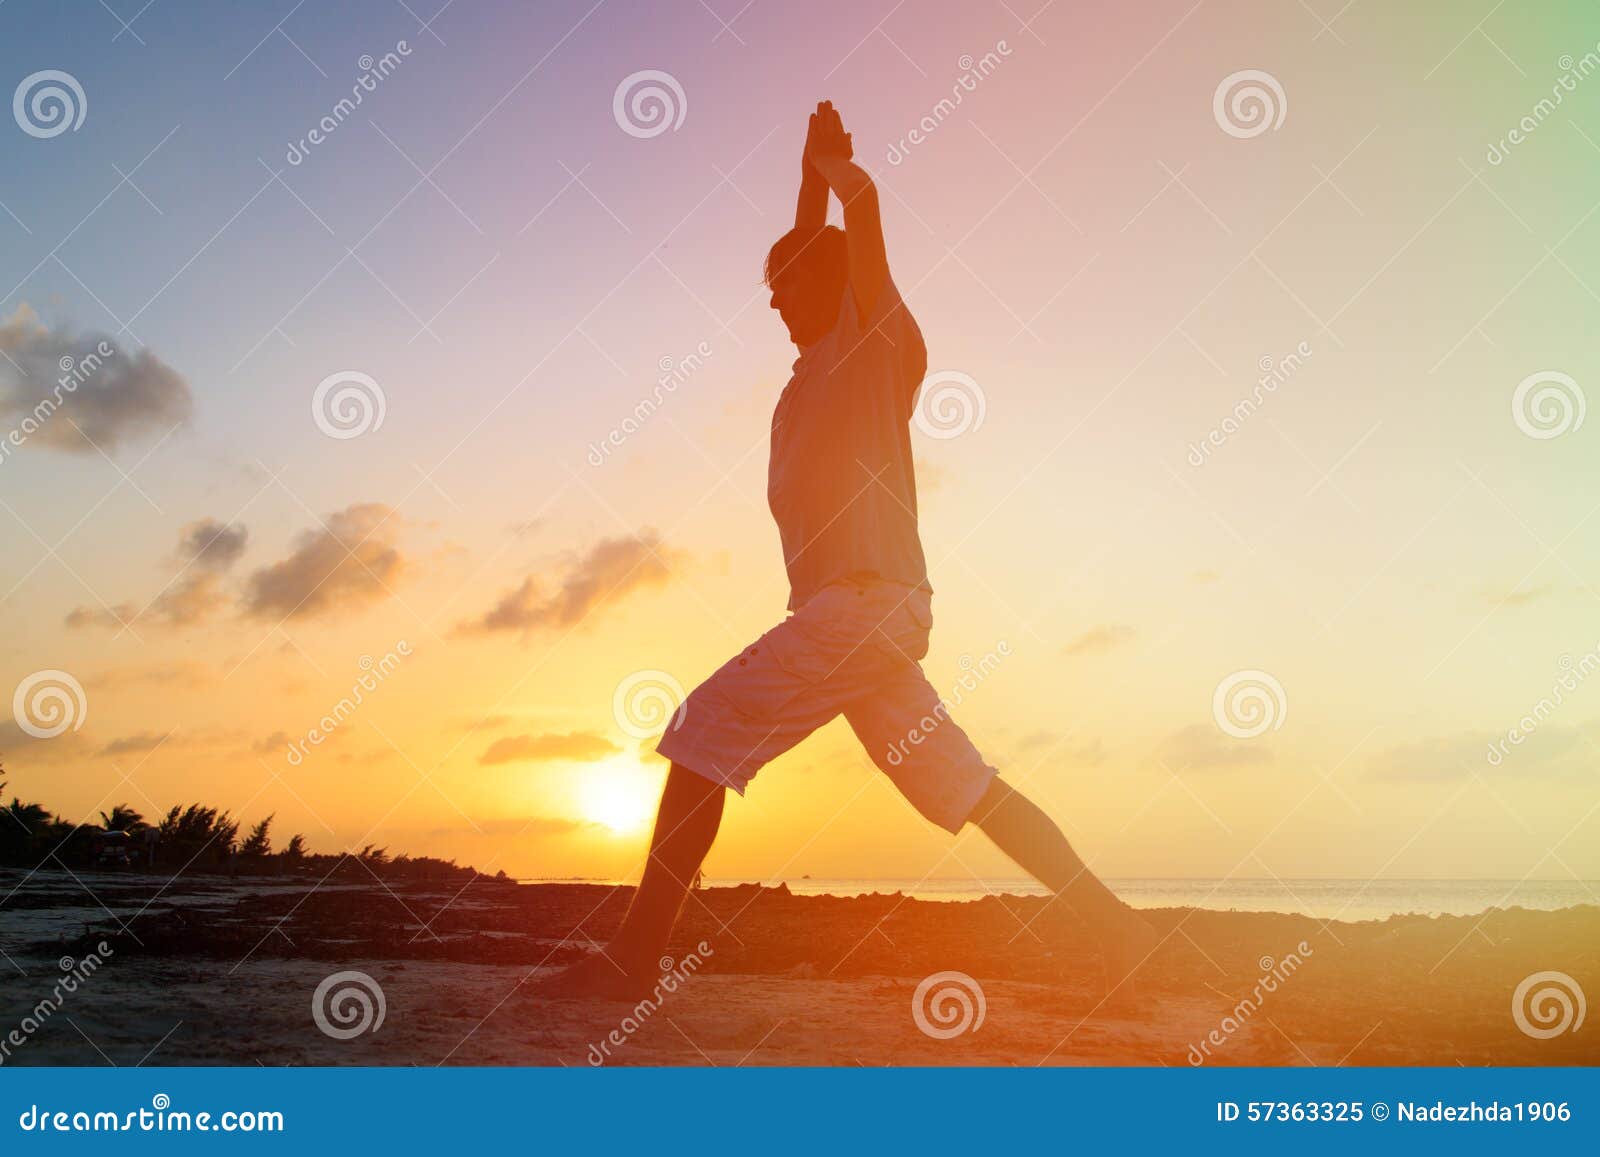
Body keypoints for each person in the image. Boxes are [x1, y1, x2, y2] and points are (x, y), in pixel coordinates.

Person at [542, 101, 1156, 1002]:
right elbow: (808, 249)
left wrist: (835, 170)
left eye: (789, 291)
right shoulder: (811, 378)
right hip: (862, 625)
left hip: (863, 609)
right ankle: (1125, 937)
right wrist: (801, 177)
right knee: (970, 787)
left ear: (833, 288)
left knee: (701, 731)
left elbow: (853, 230)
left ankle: (635, 961)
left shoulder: (871, 348)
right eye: (774, 293)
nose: (778, 305)